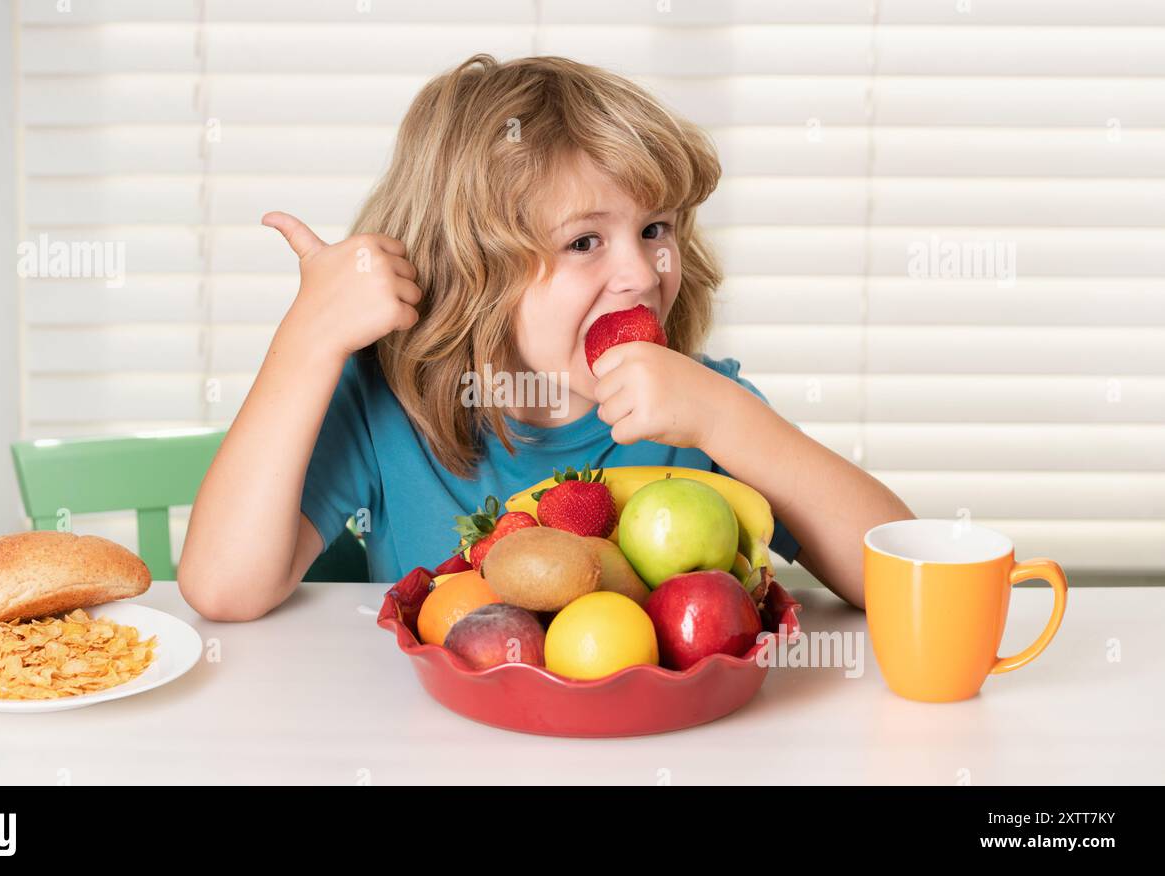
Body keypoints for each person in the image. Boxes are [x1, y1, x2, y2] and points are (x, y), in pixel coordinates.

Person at [179, 54, 913, 620]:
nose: (641, 272)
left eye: (655, 229)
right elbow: (222, 588)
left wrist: (730, 418)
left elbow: (909, 578)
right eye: (585, 242)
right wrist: (307, 342)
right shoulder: (387, 405)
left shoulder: (703, 409)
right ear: (473, 273)